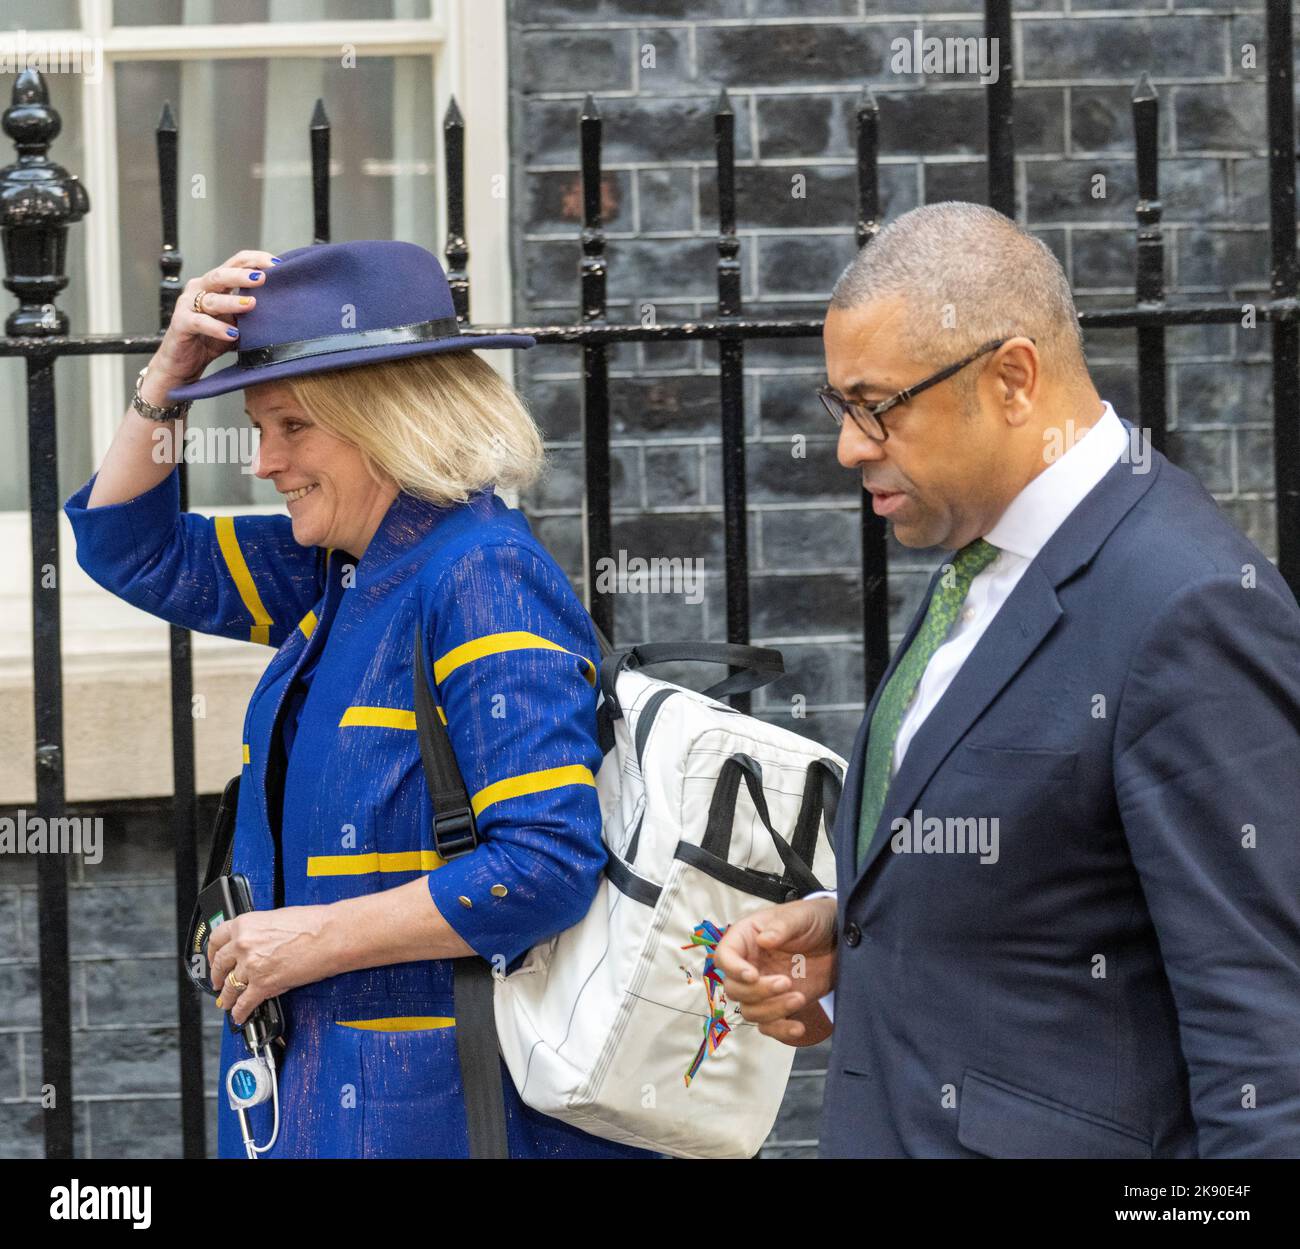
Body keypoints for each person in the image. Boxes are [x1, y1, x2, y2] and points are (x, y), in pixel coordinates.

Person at [715, 202, 1300, 1158]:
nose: (849, 445)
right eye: (840, 406)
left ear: (1013, 379)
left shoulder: (1190, 605)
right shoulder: (982, 561)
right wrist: (859, 936)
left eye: (877, 403)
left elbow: (1268, 1040)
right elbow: (1057, 874)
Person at [64, 239, 655, 1159]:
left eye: (292, 427)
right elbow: (130, 546)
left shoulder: (480, 570)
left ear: (388, 419)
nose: (265, 463)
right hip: (311, 1105)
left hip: (431, 1115)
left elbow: (541, 861)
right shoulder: (338, 563)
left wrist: (310, 942)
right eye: (260, 428)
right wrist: (169, 374)